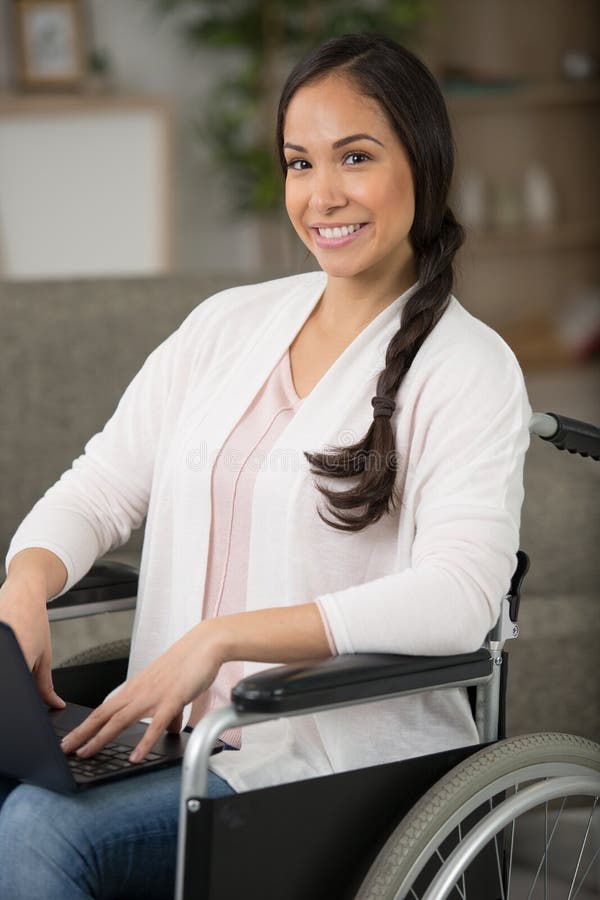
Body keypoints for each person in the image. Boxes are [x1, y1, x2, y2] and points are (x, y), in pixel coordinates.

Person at [0, 32, 530, 900]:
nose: (323, 196)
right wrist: (24, 584)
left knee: (43, 838)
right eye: (298, 162)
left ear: (423, 164)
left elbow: (461, 597)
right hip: (169, 742)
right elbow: (101, 484)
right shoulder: (225, 325)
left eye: (354, 157)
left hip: (324, 761)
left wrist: (225, 638)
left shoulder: (468, 367)